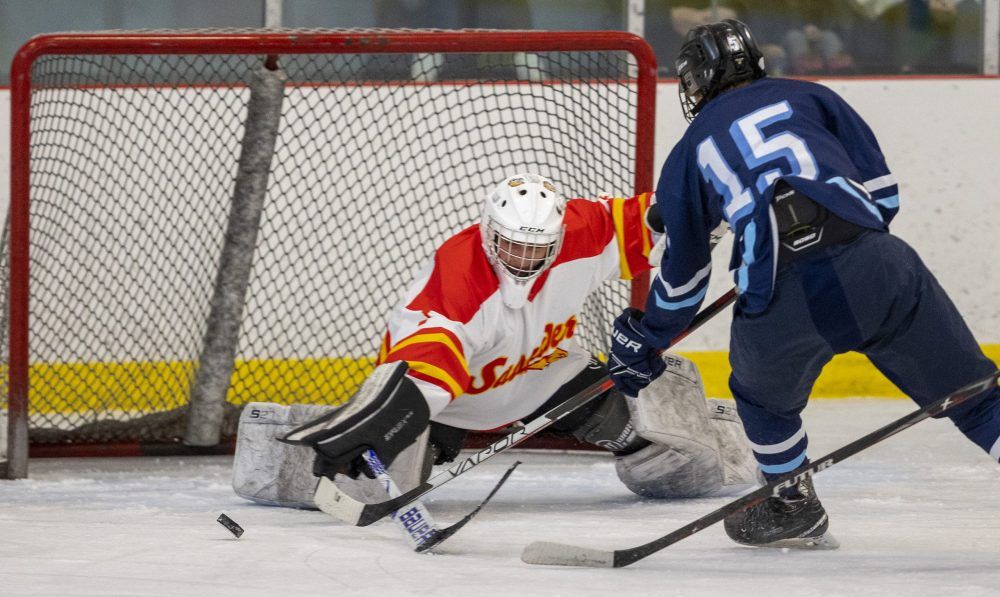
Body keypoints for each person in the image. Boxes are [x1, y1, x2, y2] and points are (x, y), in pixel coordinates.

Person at [607, 19, 1000, 550]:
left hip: (782, 293)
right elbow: (882, 199)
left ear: (699, 81)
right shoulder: (815, 97)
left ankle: (793, 504)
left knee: (761, 401)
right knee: (976, 398)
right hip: (877, 264)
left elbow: (685, 278)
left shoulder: (690, 149)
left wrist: (649, 337)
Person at [233, 173, 760, 510]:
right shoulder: (457, 283)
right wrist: (382, 427)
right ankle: (303, 450)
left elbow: (656, 221)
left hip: (545, 372)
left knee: (647, 433)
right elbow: (425, 373)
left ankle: (715, 437)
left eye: (538, 249)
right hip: (452, 403)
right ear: (488, 233)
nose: (525, 260)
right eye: (512, 246)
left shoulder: (578, 231)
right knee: (380, 474)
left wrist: (730, 211)